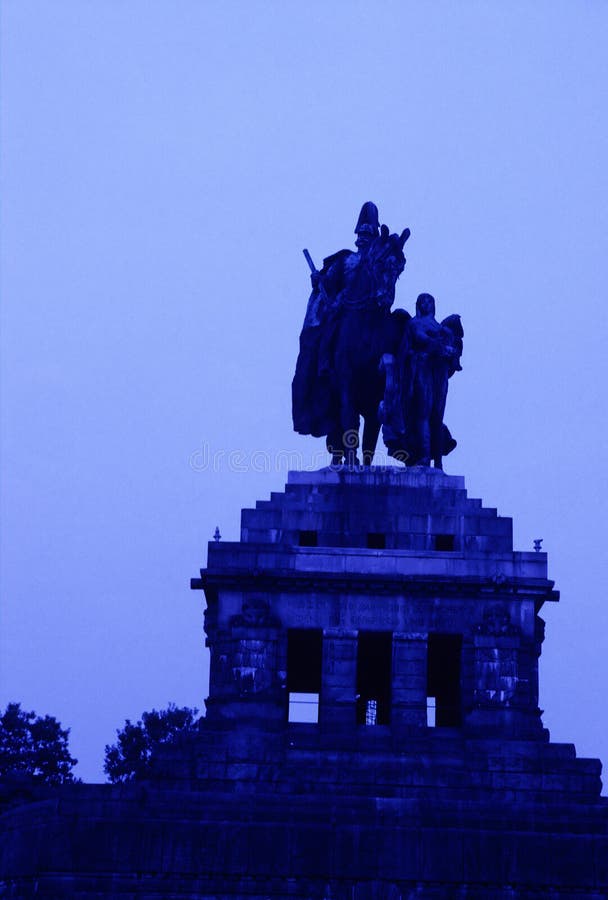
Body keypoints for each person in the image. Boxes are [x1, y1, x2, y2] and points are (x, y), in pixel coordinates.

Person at [396, 293, 463, 468]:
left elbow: (453, 350)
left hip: (439, 372)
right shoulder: (414, 324)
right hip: (421, 370)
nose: (427, 303)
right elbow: (418, 339)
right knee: (423, 413)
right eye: (423, 301)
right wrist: (439, 346)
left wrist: (450, 352)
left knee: (437, 416)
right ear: (418, 305)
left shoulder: (442, 328)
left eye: (430, 301)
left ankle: (438, 461)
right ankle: (425, 455)